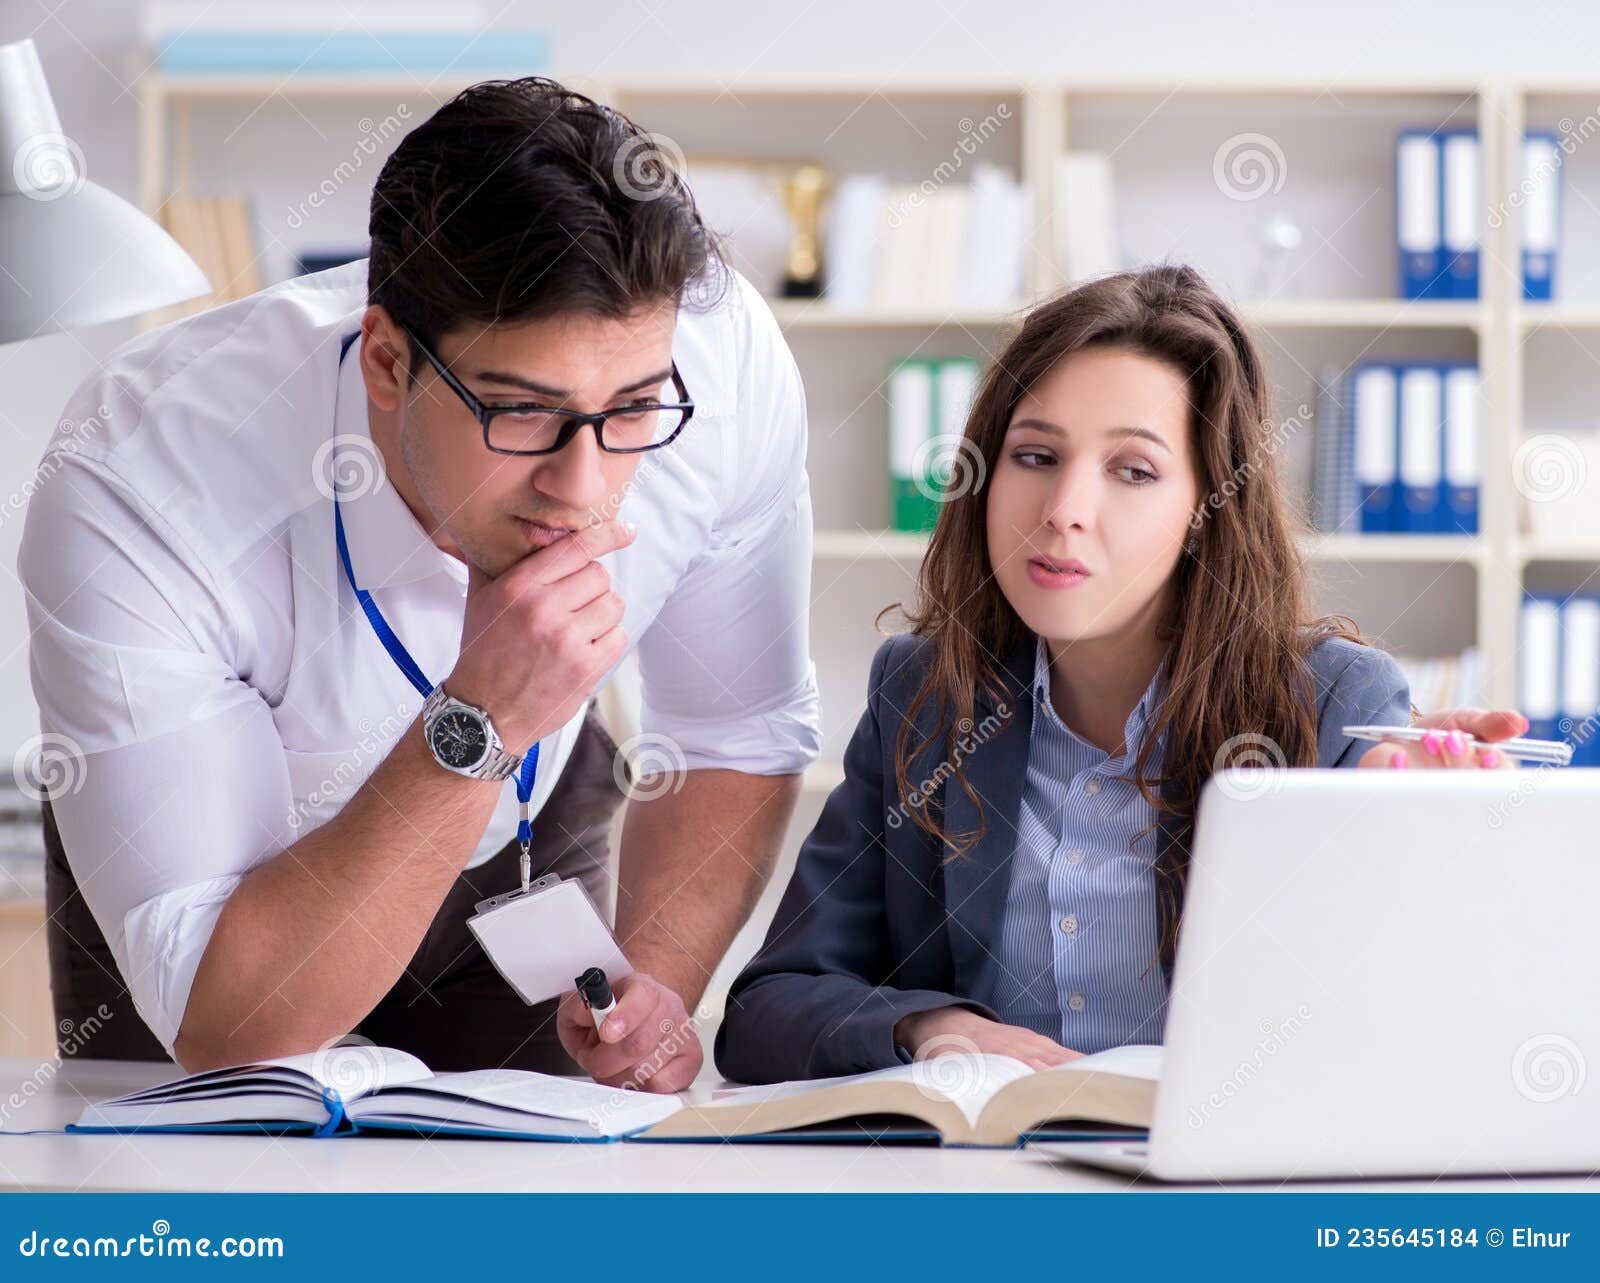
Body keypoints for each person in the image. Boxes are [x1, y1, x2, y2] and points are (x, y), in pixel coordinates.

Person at [20, 78, 820, 1091]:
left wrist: (646, 999)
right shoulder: (137, 470)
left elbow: (733, 735)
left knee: (532, 1207)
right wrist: (479, 712)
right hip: (222, 887)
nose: (584, 484)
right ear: (388, 361)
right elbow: (227, 1022)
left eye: (630, 410)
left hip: (525, 817)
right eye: (521, 412)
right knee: (201, 1208)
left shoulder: (723, 359)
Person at [715, 264, 1525, 1083]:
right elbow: (767, 1008)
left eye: (1133, 471)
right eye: (1034, 455)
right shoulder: (924, 696)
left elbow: (1427, 1025)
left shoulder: (1333, 705)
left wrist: (1424, 838)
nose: (1064, 507)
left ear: (1207, 513)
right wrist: (931, 1024)